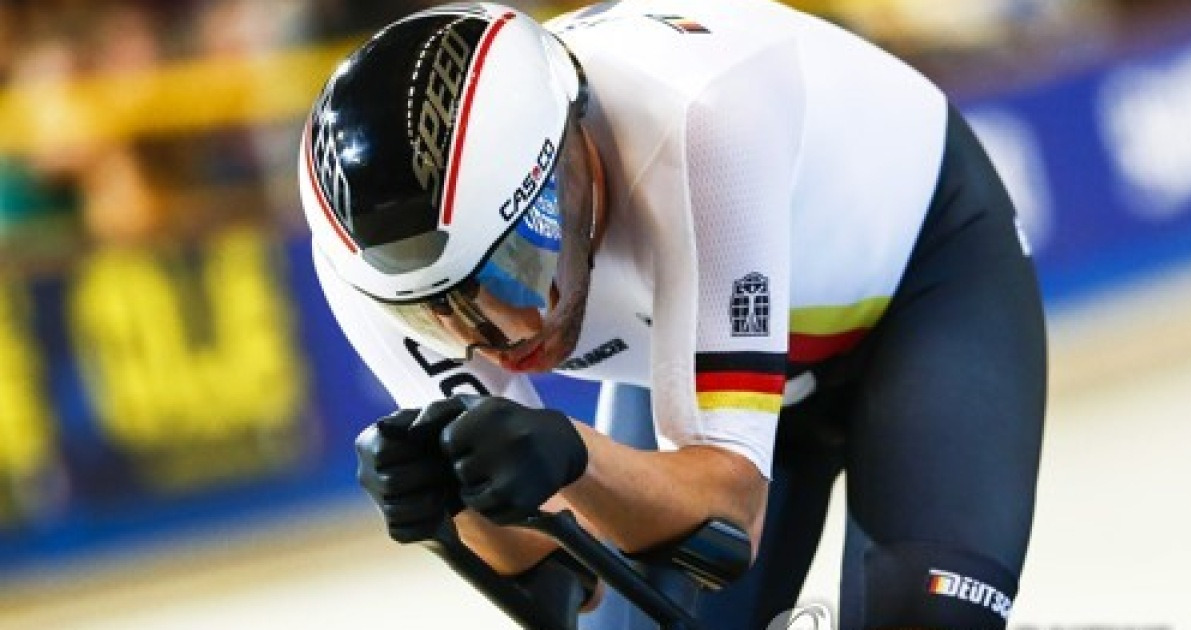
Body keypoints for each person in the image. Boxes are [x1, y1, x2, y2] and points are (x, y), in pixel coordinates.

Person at [298, 0, 1047, 628]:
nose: (501, 334)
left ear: (569, 162)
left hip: (925, 286)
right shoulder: (358, 272)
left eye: (516, 268)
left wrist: (573, 455)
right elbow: (564, 581)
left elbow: (728, 514)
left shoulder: (701, 121)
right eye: (436, 314)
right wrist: (453, 518)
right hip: (699, 332)